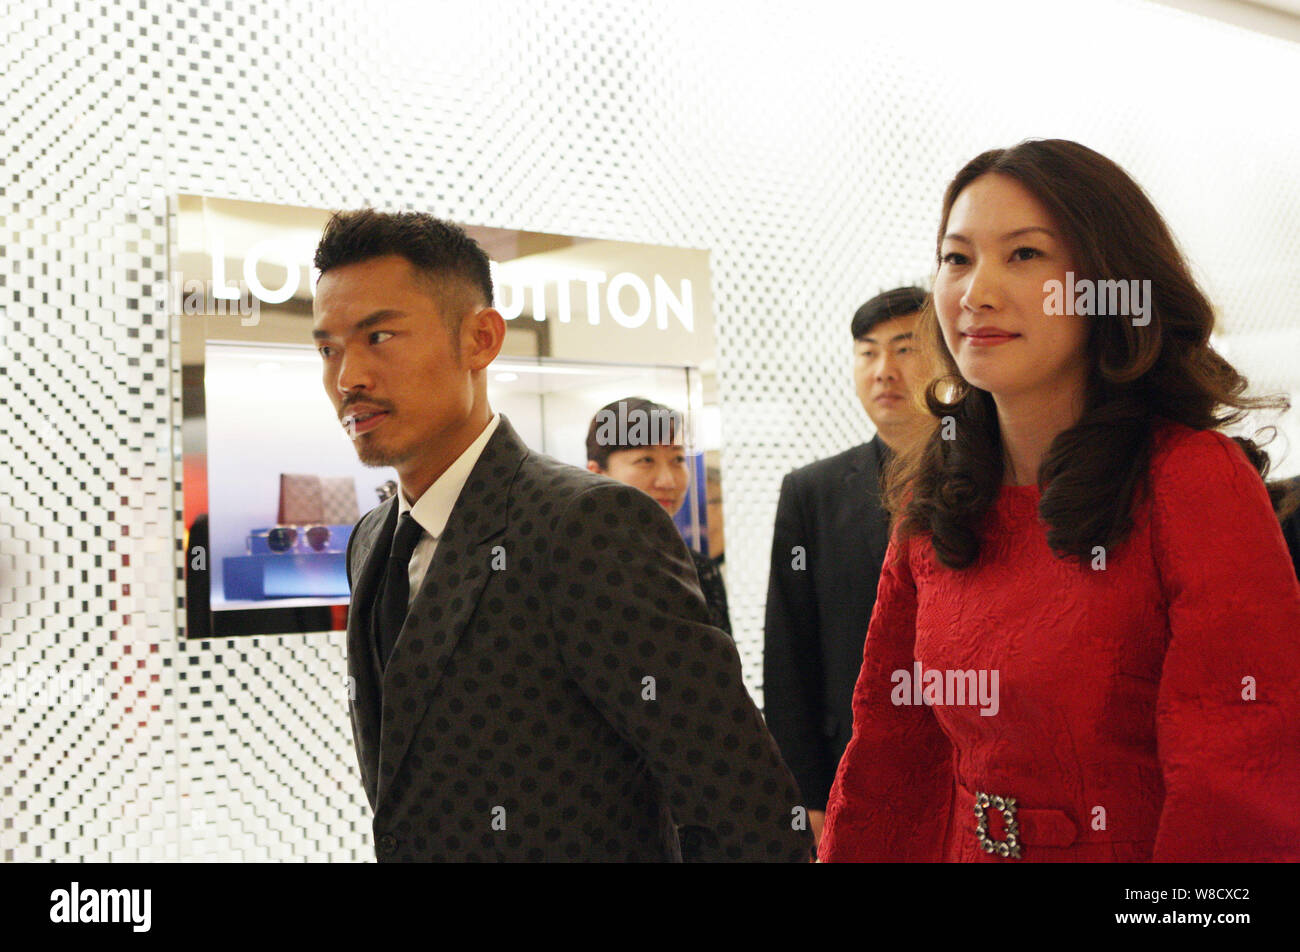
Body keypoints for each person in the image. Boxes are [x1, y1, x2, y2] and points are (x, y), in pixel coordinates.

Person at [820, 139, 1300, 862]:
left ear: (1107, 282)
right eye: (957, 258)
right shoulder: (940, 491)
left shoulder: (1189, 480)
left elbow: (1239, 780)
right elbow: (893, 750)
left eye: (1025, 255)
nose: (976, 292)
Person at [311, 209, 811, 862]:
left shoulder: (586, 526)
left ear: (480, 340)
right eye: (327, 348)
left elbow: (741, 806)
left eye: (379, 336)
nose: (348, 377)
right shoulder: (373, 540)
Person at [762, 286, 928, 849]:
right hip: (851, 767)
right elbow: (788, 650)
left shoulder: (992, 474)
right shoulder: (812, 491)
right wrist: (804, 793)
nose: (884, 370)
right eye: (868, 351)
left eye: (905, 349)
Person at [585, 397, 731, 637]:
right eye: (646, 460)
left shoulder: (700, 569)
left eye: (677, 459)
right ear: (596, 473)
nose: (668, 481)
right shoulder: (576, 563)